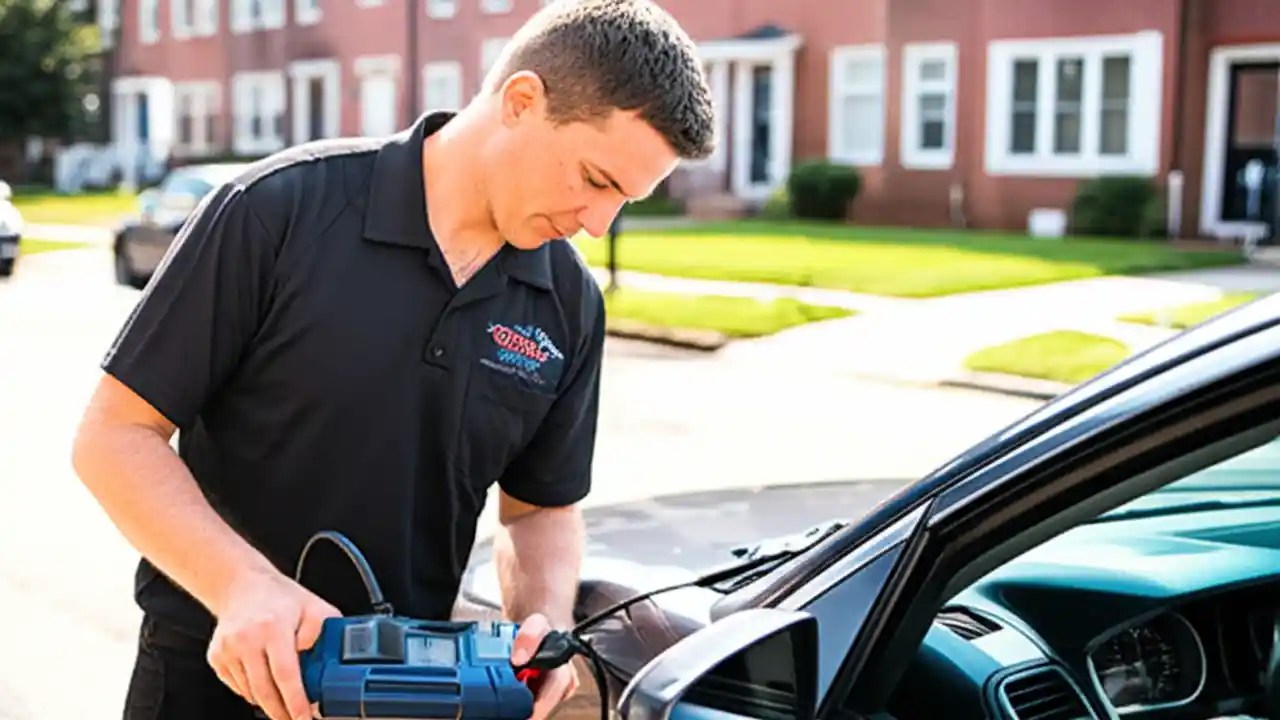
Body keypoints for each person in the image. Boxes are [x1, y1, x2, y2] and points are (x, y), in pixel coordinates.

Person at [69, 0, 717, 718]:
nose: (599, 224)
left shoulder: (566, 301)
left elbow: (539, 509)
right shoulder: (277, 212)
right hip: (212, 683)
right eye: (596, 181)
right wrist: (240, 585)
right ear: (521, 101)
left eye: (626, 199)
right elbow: (114, 436)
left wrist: (546, 619)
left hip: (415, 695)